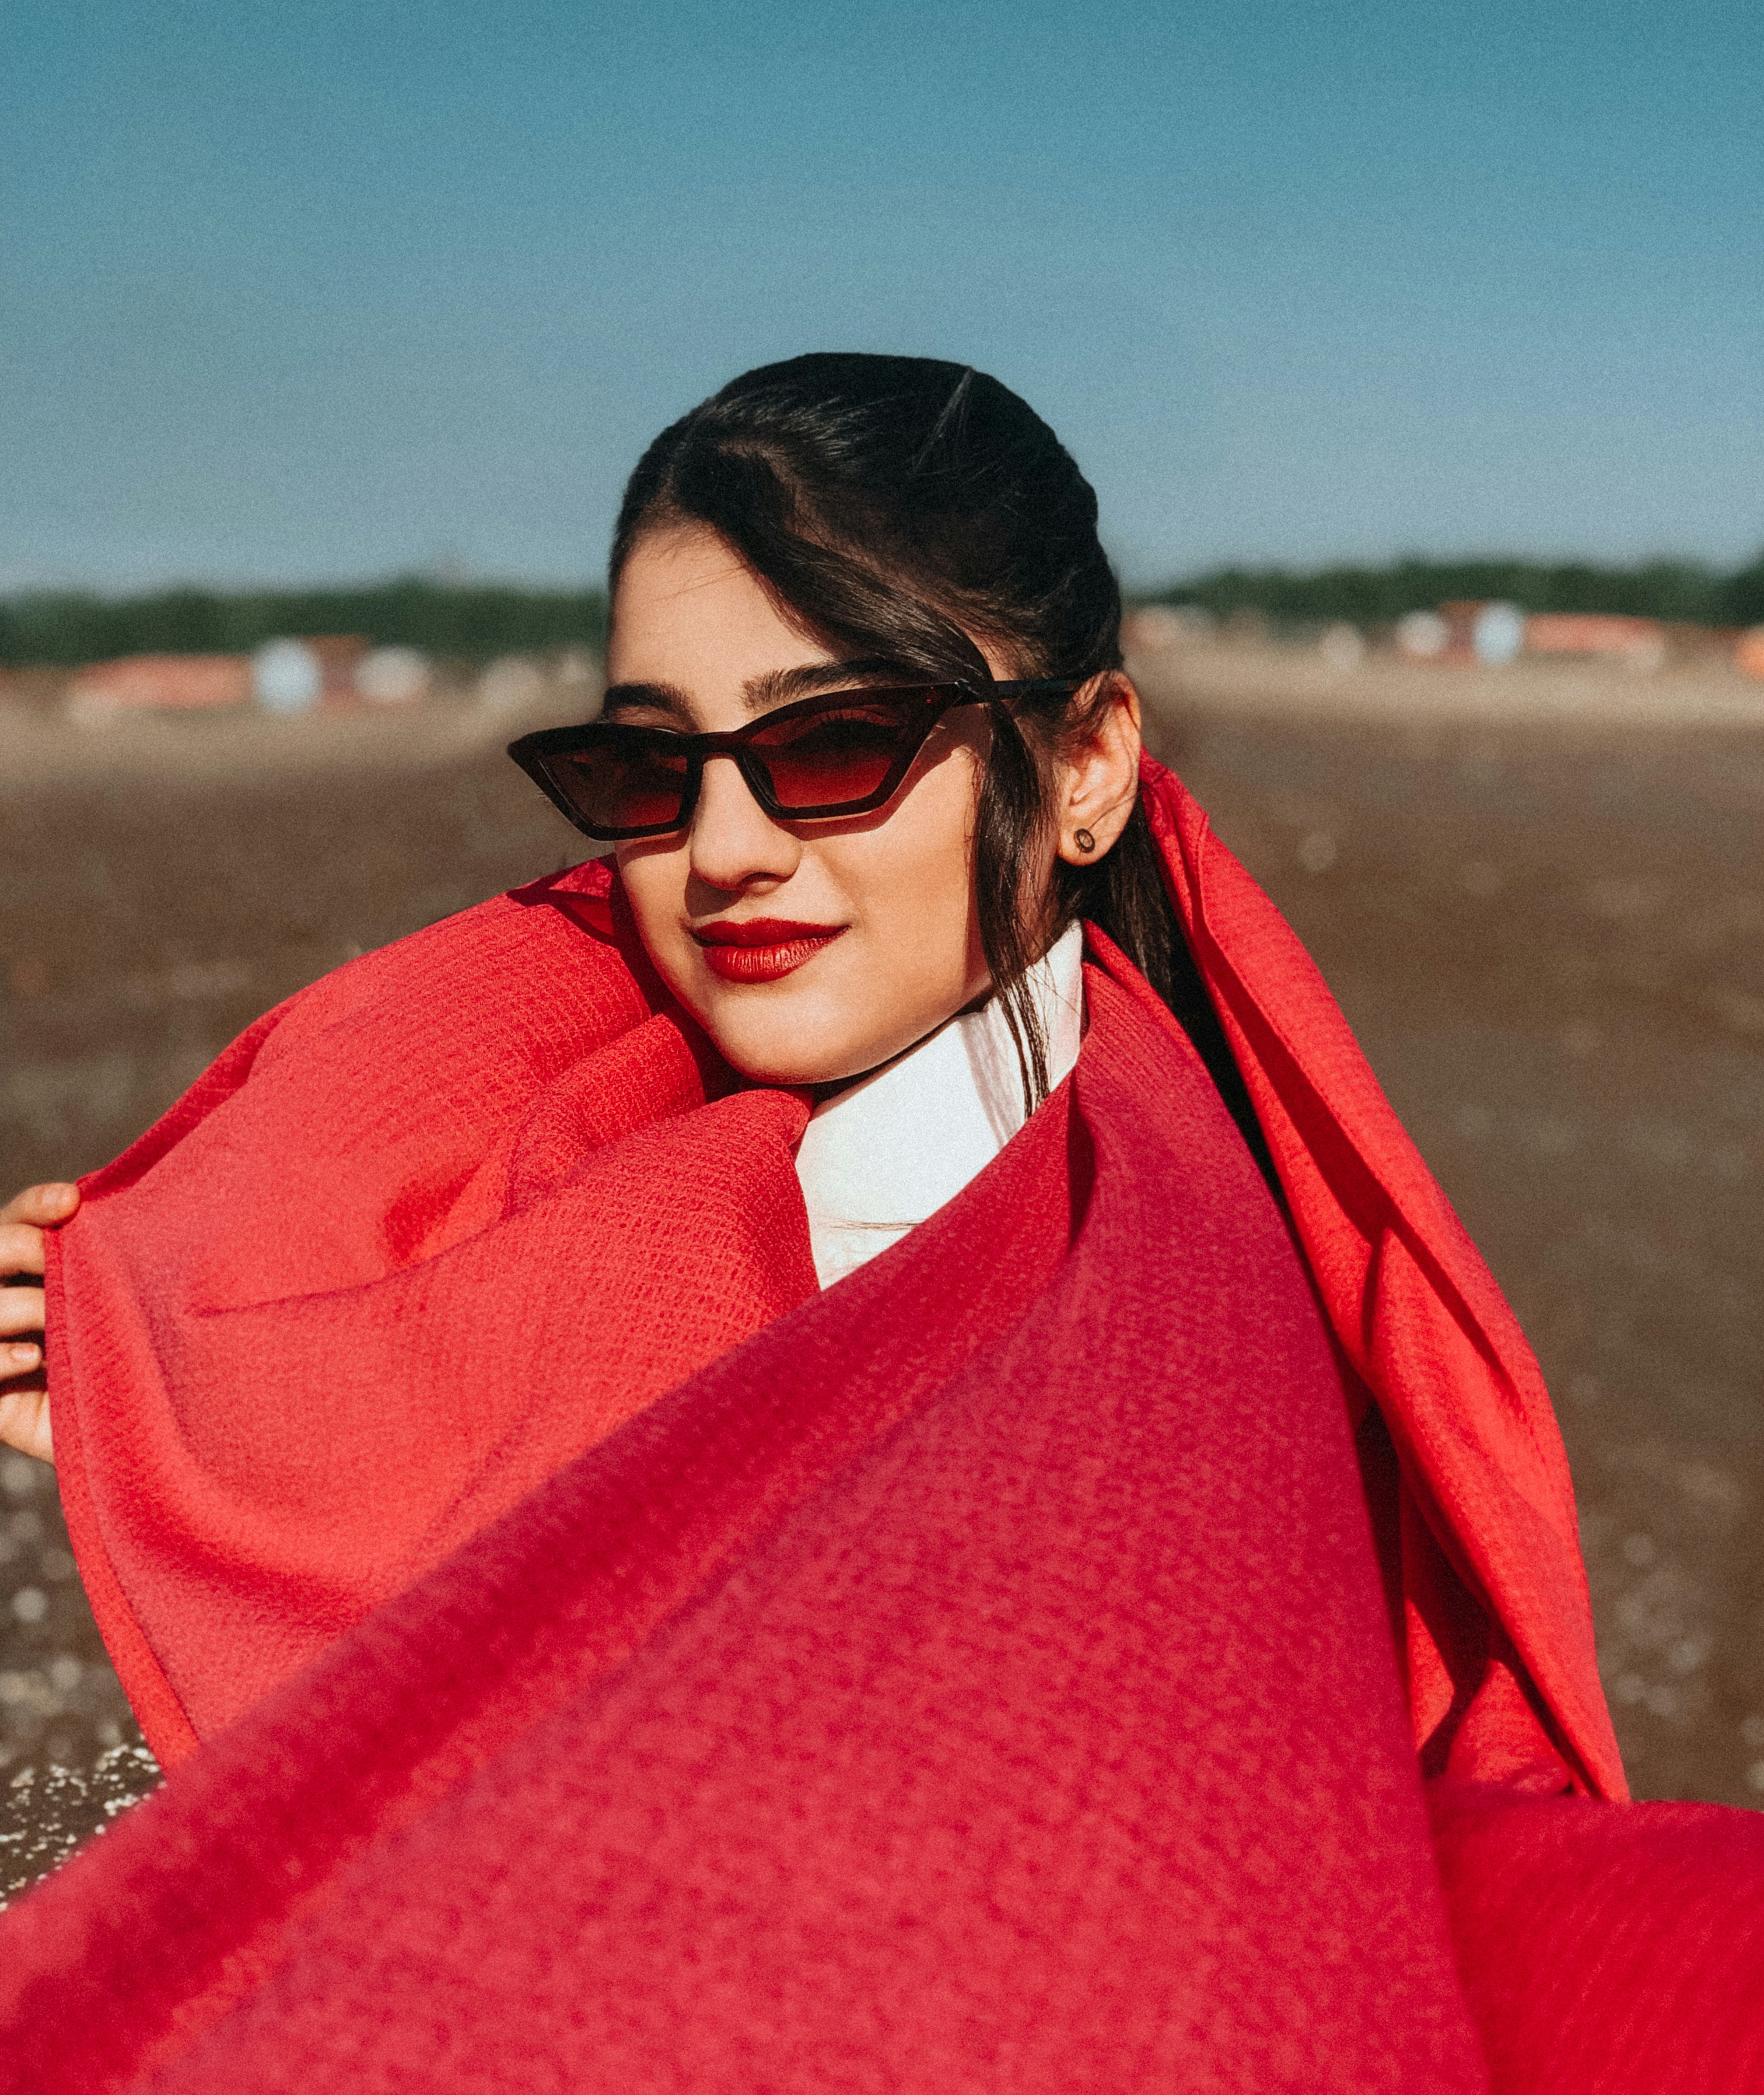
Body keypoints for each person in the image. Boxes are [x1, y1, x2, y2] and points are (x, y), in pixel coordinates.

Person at [0, 355, 1759, 2093]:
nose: (727, 847)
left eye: (834, 741)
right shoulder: (571, 1156)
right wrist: (172, 1383)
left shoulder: (1164, 1307)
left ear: (1087, 766)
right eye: (649, 770)